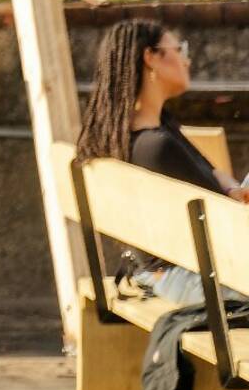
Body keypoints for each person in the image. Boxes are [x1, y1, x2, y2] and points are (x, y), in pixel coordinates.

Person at [78, 18, 247, 303]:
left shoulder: (148, 131)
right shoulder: (157, 147)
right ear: (151, 58)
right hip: (190, 279)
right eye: (178, 49)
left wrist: (232, 190)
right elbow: (226, 225)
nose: (186, 60)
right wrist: (233, 196)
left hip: (166, 273)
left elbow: (215, 175)